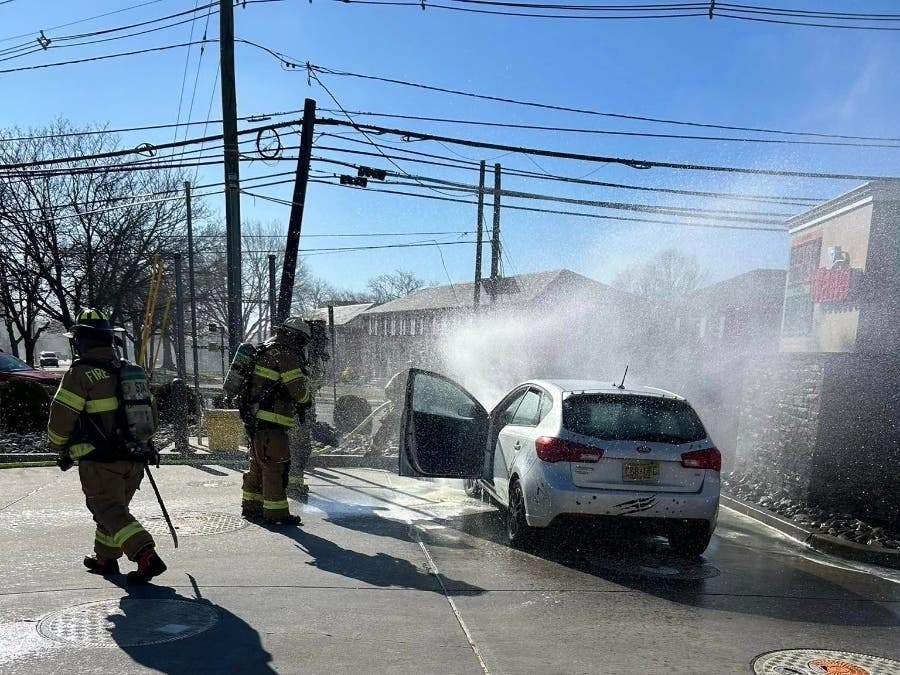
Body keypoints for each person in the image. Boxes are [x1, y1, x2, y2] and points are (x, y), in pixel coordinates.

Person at [48, 308, 166, 584]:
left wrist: (58, 445)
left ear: (80, 341)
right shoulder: (129, 371)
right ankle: (105, 558)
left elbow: (61, 417)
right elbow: (153, 415)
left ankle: (145, 555)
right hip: (135, 458)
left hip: (101, 461)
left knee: (108, 510)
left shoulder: (80, 375)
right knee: (114, 509)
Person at [240, 317, 313, 525]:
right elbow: (298, 391)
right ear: (296, 337)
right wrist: (307, 399)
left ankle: (252, 507)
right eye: (302, 341)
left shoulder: (264, 350)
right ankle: (276, 514)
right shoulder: (286, 354)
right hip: (272, 421)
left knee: (258, 464)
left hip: (254, 420)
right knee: (275, 467)